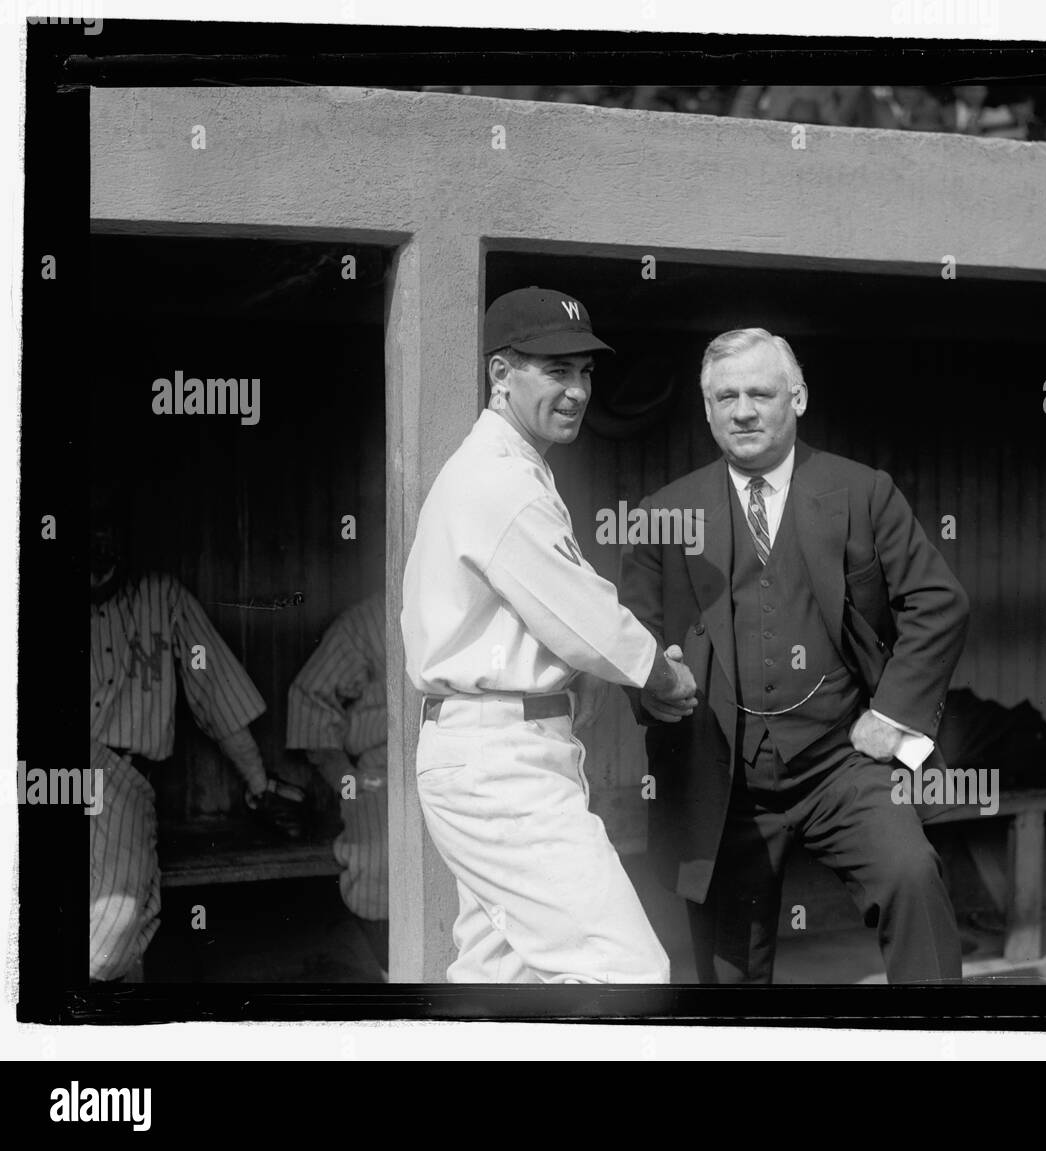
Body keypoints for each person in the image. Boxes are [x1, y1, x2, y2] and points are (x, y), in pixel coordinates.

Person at [619, 328, 971, 984]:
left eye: (760, 392)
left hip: (843, 764)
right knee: (730, 970)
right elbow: (628, 635)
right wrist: (651, 685)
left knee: (911, 875)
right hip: (727, 781)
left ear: (798, 398)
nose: (743, 410)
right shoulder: (662, 513)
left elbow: (939, 603)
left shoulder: (863, 492)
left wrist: (894, 713)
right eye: (725, 396)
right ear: (706, 409)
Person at [400, 286, 696, 983]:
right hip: (497, 756)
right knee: (626, 973)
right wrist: (662, 673)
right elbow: (581, 614)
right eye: (555, 370)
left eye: (586, 371)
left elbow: (552, 618)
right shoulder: (498, 479)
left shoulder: (510, 466)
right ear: (501, 375)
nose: (578, 389)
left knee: (500, 978)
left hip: (502, 749)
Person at [88, 503, 301, 982]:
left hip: (120, 780)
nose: (98, 552)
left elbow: (213, 689)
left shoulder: (160, 597)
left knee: (110, 939)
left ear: (124, 543)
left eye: (107, 537)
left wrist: (257, 781)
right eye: (87, 536)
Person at [286, 591, 389, 976]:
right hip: (384, 769)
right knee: (381, 859)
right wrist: (349, 782)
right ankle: (394, 973)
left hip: (460, 756)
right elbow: (309, 700)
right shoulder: (369, 620)